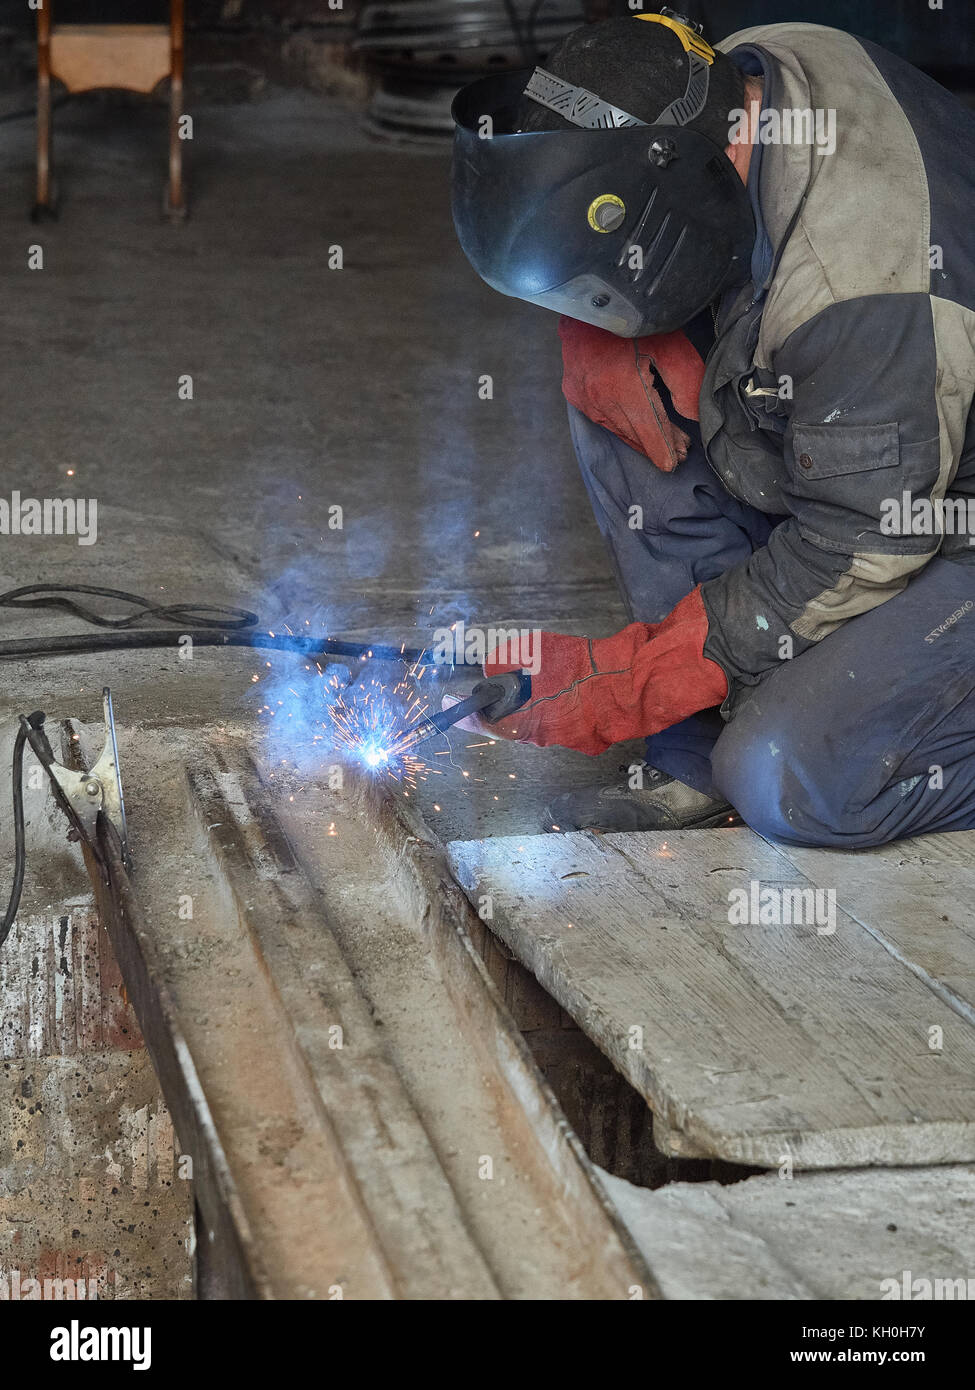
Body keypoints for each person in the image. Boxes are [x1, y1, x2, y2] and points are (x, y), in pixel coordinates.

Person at [448, 9, 975, 848]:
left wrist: (634, 678)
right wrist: (595, 320)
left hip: (930, 523)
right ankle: (700, 741)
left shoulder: (861, 285)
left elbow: (861, 542)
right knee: (628, 387)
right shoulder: (735, 76)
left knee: (786, 776)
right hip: (881, 435)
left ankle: (770, 725)